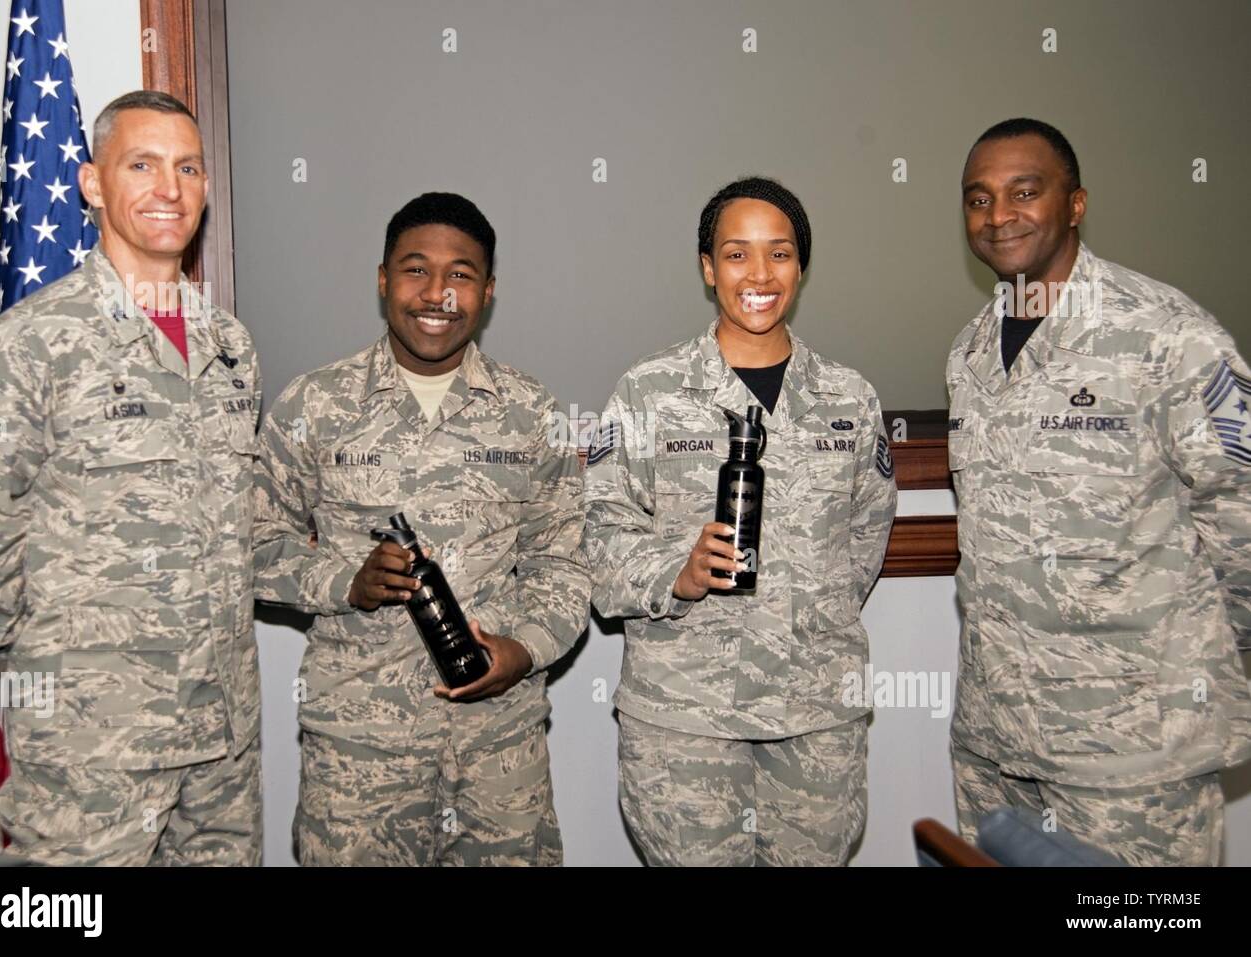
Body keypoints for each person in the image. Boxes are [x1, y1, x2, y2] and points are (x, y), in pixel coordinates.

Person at [0, 90, 262, 865]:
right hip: (93, 745)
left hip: (223, 740)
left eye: (188, 167)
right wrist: (1, 665)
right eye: (143, 164)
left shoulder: (228, 345)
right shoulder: (35, 343)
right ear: (92, 184)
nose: (170, 189)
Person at [948, 117, 1251, 865]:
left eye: (1025, 191)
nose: (999, 215)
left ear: (1075, 204)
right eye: (979, 199)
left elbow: (1243, 521)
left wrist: (1212, 678)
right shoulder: (971, 352)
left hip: (1132, 751)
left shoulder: (1167, 335)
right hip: (1000, 740)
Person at [253, 192, 589, 865]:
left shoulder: (532, 412)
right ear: (382, 280)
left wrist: (523, 649)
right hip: (359, 754)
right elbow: (255, 542)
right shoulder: (314, 405)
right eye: (415, 270)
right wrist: (343, 580)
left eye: (461, 274)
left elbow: (567, 565)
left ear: (488, 291)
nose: (436, 293)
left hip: (500, 750)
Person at [585, 177, 897, 865]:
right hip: (686, 720)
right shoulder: (649, 391)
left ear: (801, 267)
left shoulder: (849, 397)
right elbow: (599, 538)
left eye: (779, 254)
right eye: (736, 254)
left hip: (816, 715)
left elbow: (864, 540)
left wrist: (805, 607)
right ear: (706, 268)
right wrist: (677, 570)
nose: (759, 274)